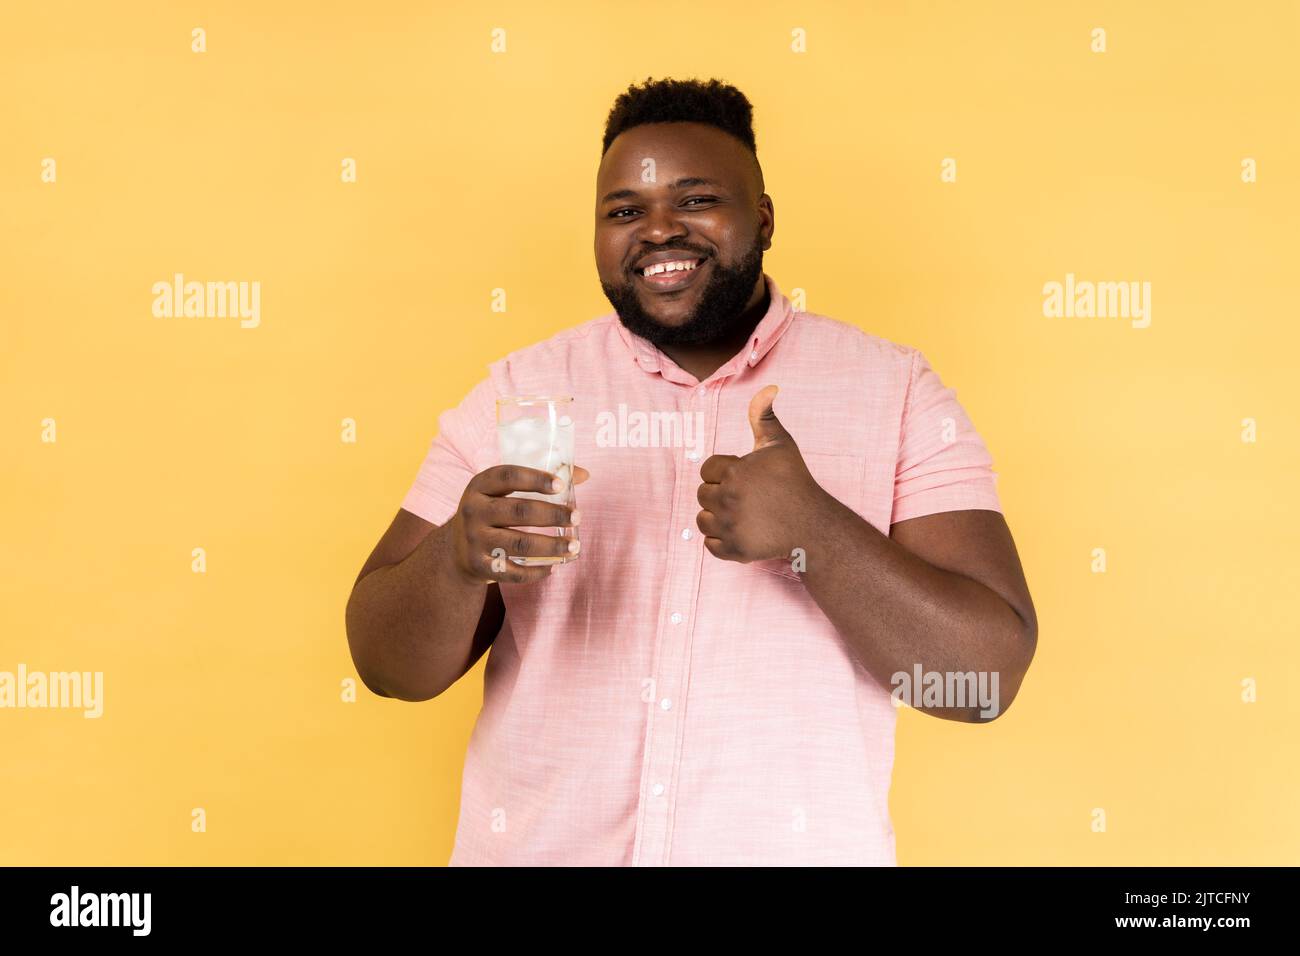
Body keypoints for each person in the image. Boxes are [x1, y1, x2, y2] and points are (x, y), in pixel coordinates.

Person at [345, 76, 1037, 866]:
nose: (658, 231)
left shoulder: (896, 390)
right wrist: (458, 560)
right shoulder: (518, 396)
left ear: (765, 219)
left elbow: (984, 682)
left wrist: (816, 531)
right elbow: (385, 669)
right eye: (625, 211)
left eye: (696, 198)